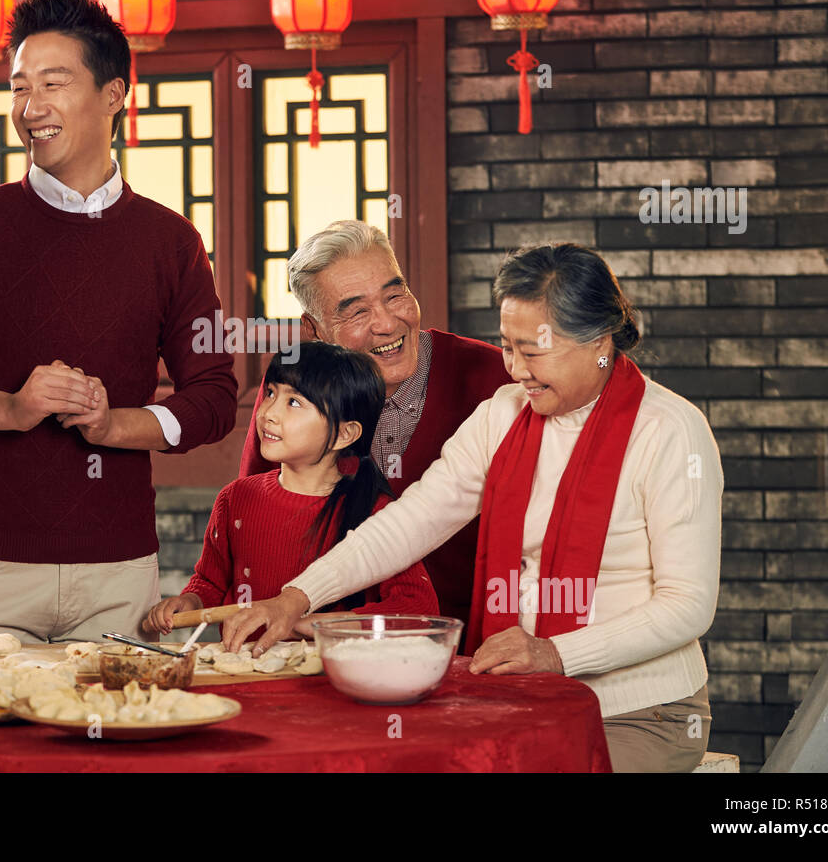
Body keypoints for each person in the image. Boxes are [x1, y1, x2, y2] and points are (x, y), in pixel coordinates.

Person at [223, 244, 723, 772]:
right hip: (518, 699)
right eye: (507, 347)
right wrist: (298, 597)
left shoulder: (670, 429)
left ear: (597, 342)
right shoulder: (503, 414)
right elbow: (409, 523)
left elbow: (688, 604)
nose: (515, 369)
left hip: (639, 712)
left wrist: (557, 655)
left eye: (533, 351)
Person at [0, 0, 237, 656]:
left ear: (114, 95)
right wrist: (10, 409)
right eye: (18, 88)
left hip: (118, 573)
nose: (28, 108)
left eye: (51, 84)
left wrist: (112, 424)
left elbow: (213, 399)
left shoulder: (171, 240)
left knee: (109, 749)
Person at [239, 220, 510, 630]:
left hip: (466, 645)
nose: (386, 323)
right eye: (358, 311)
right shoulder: (293, 386)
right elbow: (256, 511)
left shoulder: (494, 377)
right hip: (318, 641)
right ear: (314, 331)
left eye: (395, 294)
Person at [144, 342, 438, 638]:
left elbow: (417, 608)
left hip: (326, 676)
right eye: (271, 393)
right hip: (247, 673)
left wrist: (302, 625)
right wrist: (189, 602)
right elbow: (210, 582)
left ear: (344, 433)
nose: (268, 412)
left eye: (294, 402)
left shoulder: (376, 512)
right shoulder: (236, 497)